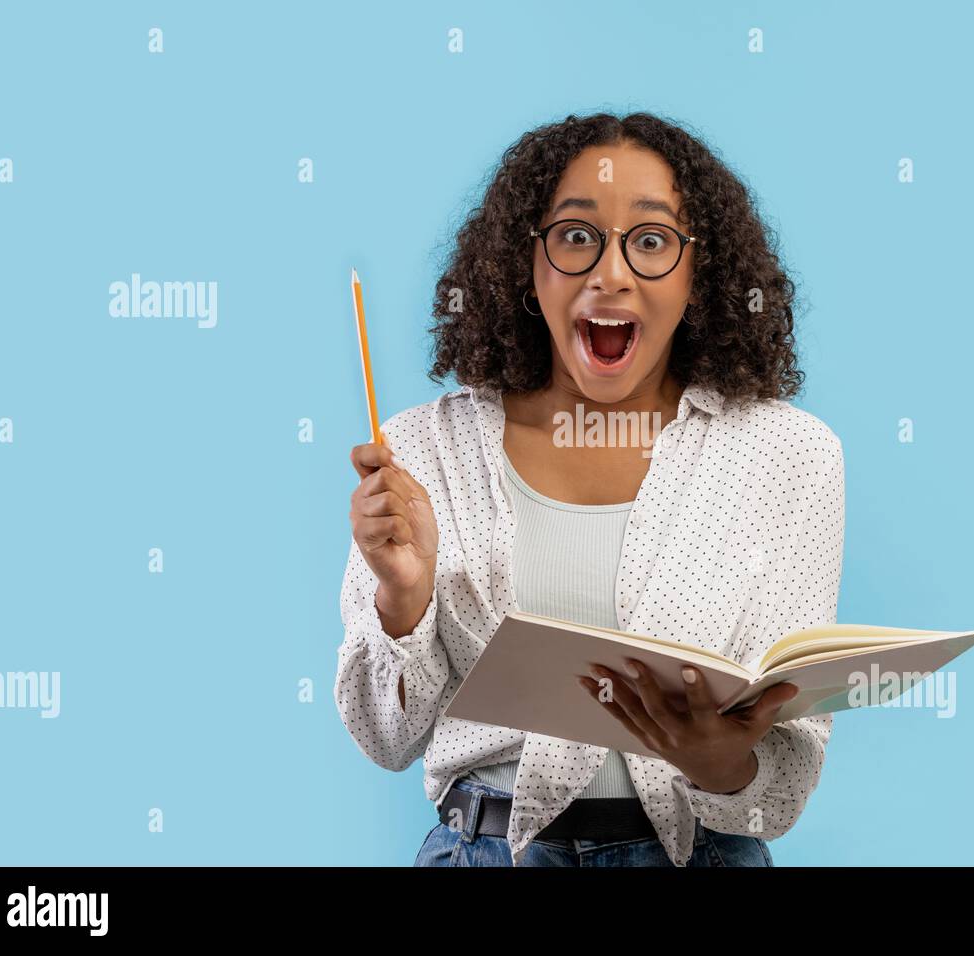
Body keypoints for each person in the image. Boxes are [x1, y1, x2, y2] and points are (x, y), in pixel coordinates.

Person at [335, 111, 845, 867]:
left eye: (650, 241)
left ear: (697, 273)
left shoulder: (788, 454)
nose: (611, 273)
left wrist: (720, 762)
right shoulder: (423, 451)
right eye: (575, 236)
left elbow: (783, 792)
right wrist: (403, 602)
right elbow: (385, 740)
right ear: (525, 265)